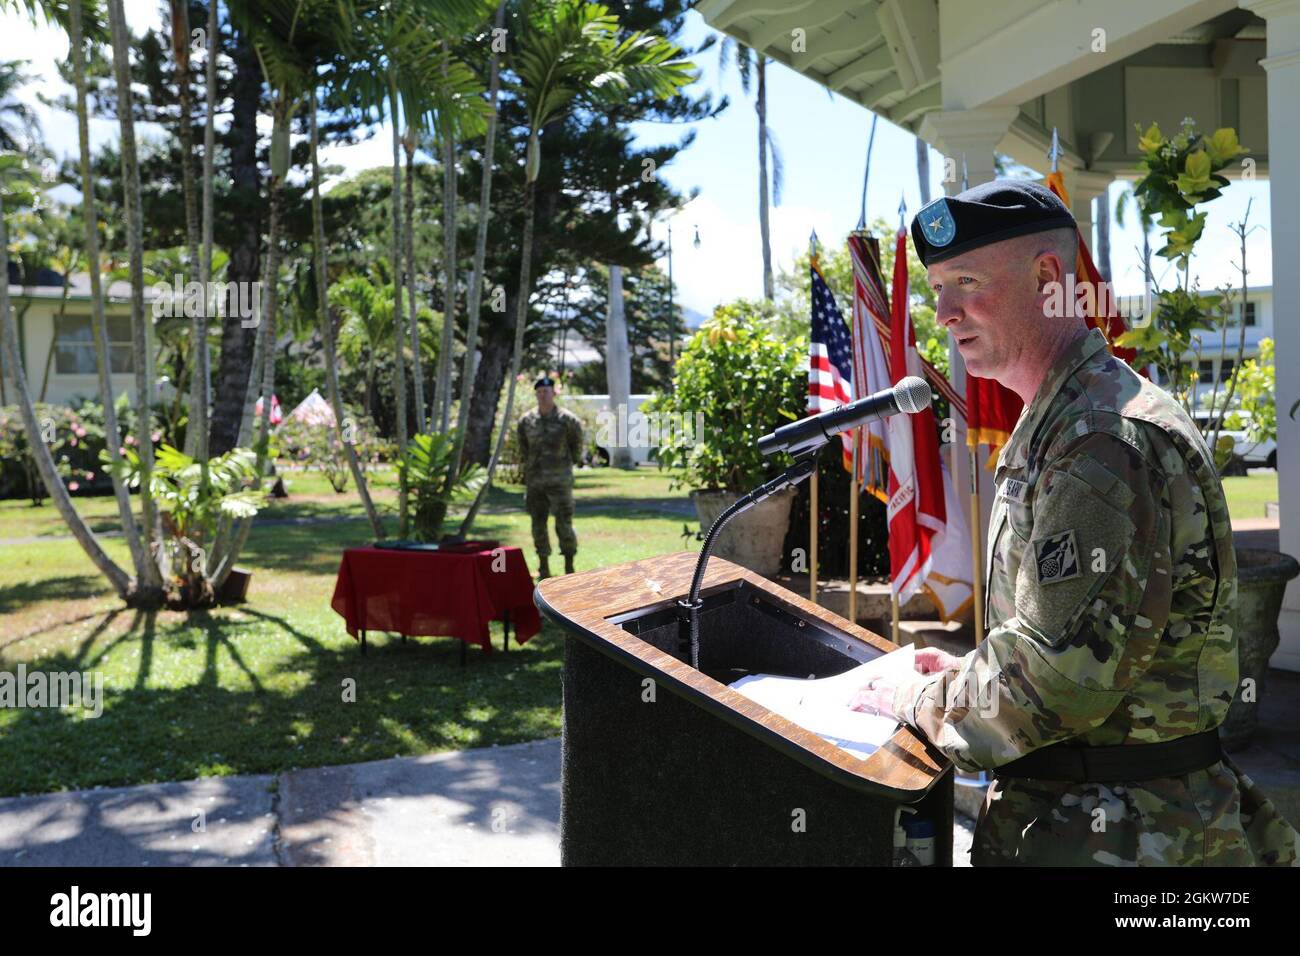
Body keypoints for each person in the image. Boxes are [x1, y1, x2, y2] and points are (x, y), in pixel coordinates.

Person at [848, 179, 1298, 866]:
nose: (942, 312)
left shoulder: (1100, 441)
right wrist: (973, 672)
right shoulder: (1072, 419)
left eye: (966, 282)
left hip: (1124, 837)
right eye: (937, 288)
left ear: (1048, 277)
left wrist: (918, 698)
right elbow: (1061, 643)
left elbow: (1057, 683)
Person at [518, 376, 583, 579]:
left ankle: (569, 566)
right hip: (535, 482)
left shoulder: (567, 420)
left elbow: (577, 447)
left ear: (554, 393)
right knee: (538, 524)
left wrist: (565, 466)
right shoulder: (526, 421)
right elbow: (523, 449)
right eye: (539, 392)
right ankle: (543, 566)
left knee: (563, 523)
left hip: (560, 482)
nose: (543, 395)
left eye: (546, 391)